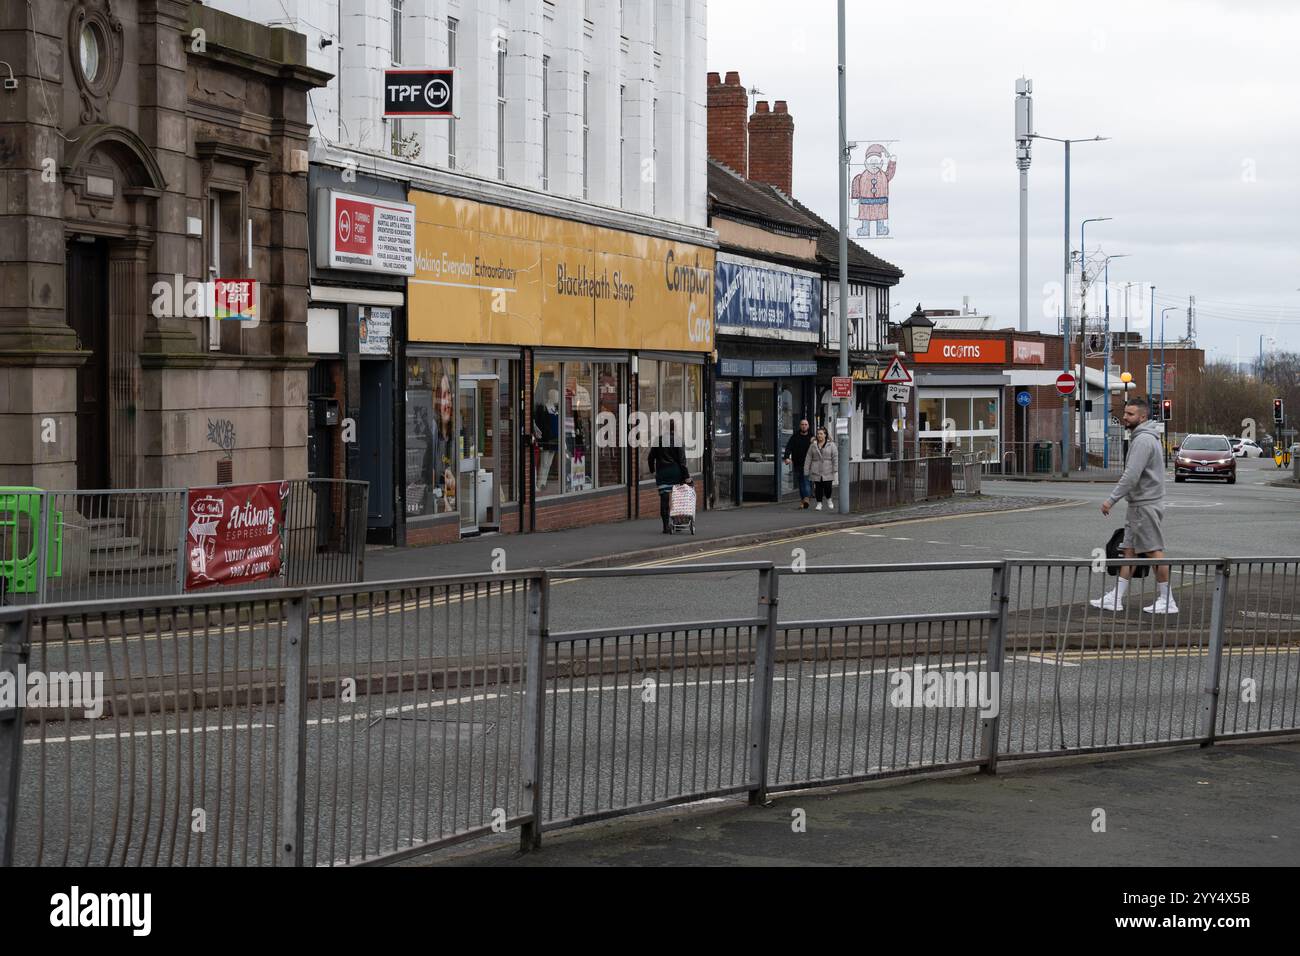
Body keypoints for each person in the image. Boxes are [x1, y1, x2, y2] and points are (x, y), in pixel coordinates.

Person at [1091, 397, 1177, 614]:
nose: (1125, 417)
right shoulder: (1146, 438)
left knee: (1153, 551)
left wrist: (1110, 500)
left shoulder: (1143, 441)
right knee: (1128, 551)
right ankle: (1116, 597)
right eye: (1125, 413)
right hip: (1140, 504)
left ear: (1143, 416)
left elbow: (1131, 476)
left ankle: (1168, 600)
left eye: (1130, 414)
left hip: (1145, 505)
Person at [648, 424, 688, 534]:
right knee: (677, 500)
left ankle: (666, 526)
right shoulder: (678, 440)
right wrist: (687, 476)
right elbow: (682, 461)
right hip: (676, 472)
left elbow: (650, 457)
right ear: (674, 429)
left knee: (664, 500)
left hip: (662, 472)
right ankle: (677, 523)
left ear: (664, 429)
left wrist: (653, 470)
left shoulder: (658, 440)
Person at [804, 425, 838, 511]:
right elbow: (808, 457)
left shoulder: (831, 444)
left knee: (828, 487)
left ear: (825, 435)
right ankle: (819, 503)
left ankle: (829, 499)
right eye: (818, 434)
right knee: (818, 487)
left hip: (828, 468)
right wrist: (806, 470)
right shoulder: (813, 445)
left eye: (821, 434)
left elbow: (835, 457)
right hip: (816, 469)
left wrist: (835, 467)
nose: (819, 435)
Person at [783, 418, 814, 508]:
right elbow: (789, 447)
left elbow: (817, 448)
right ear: (800, 426)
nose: (804, 426)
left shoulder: (811, 437)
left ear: (808, 426)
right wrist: (786, 457)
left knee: (806, 480)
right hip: (797, 463)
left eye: (805, 424)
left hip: (808, 463)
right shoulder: (795, 436)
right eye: (802, 424)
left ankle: (806, 498)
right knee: (800, 482)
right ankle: (803, 500)